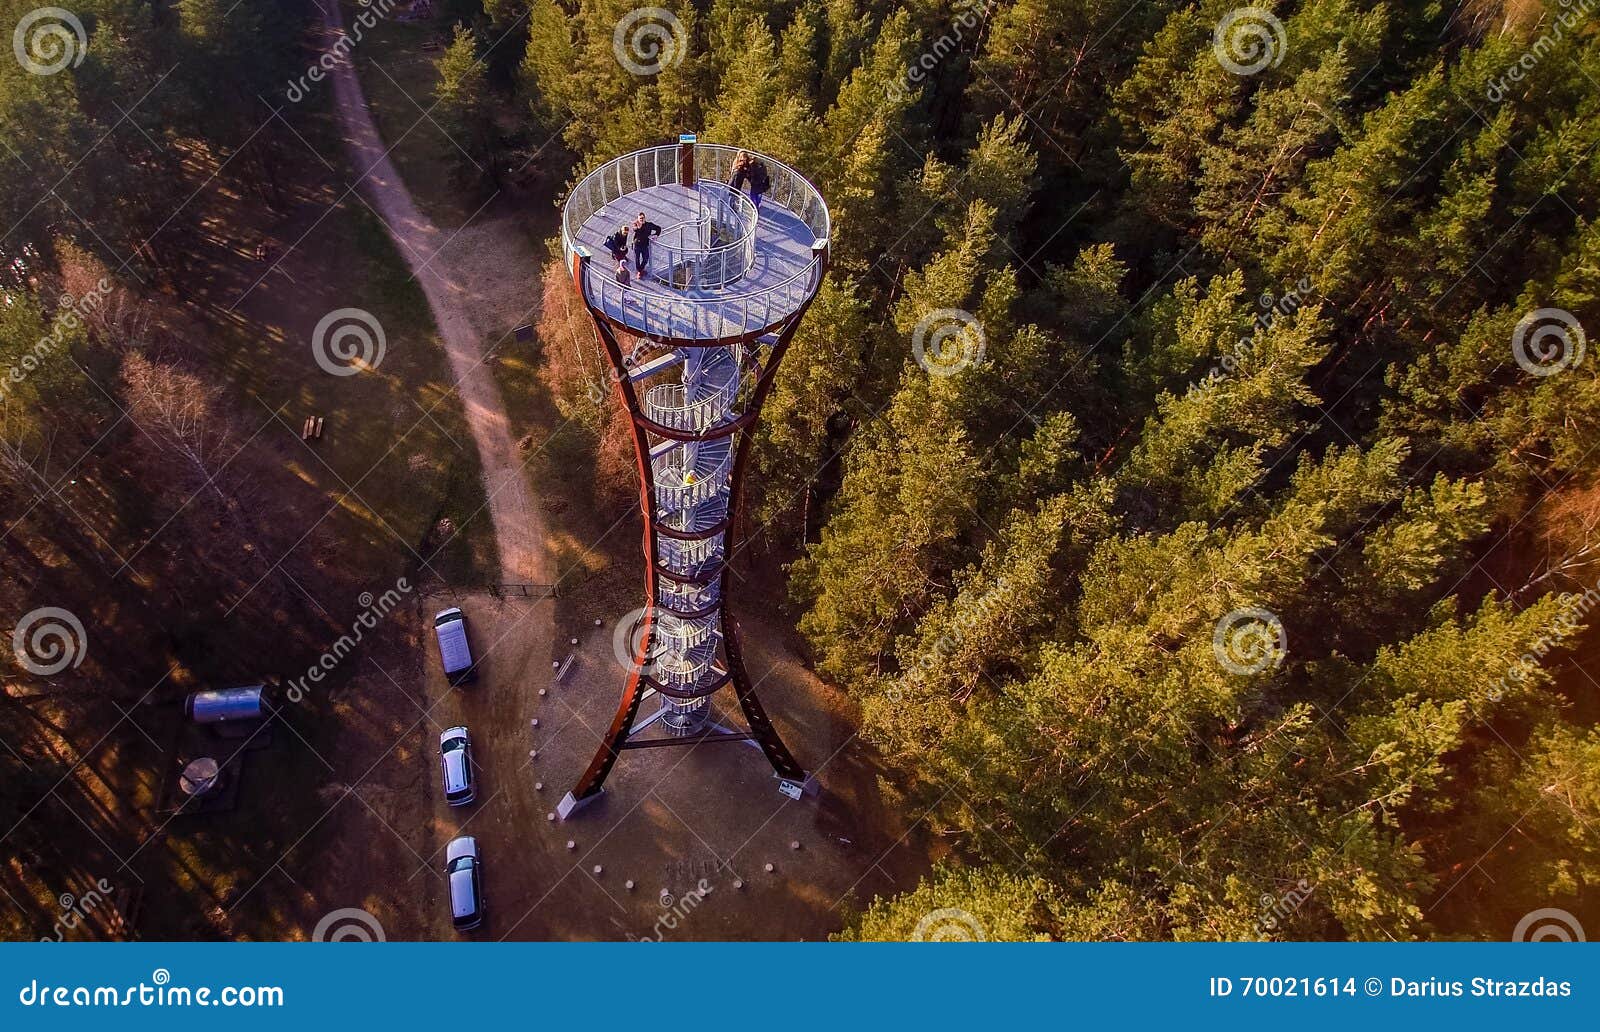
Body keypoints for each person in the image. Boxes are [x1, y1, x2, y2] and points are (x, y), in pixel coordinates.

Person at [631, 212, 662, 277]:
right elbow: (635, 229)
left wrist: (656, 235)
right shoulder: (636, 224)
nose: (641, 220)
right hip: (637, 245)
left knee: (645, 258)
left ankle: (640, 269)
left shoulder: (649, 225)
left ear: (645, 218)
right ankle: (639, 271)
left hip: (645, 245)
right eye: (640, 218)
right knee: (637, 259)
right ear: (638, 219)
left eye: (642, 218)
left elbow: (658, 228)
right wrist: (639, 227)